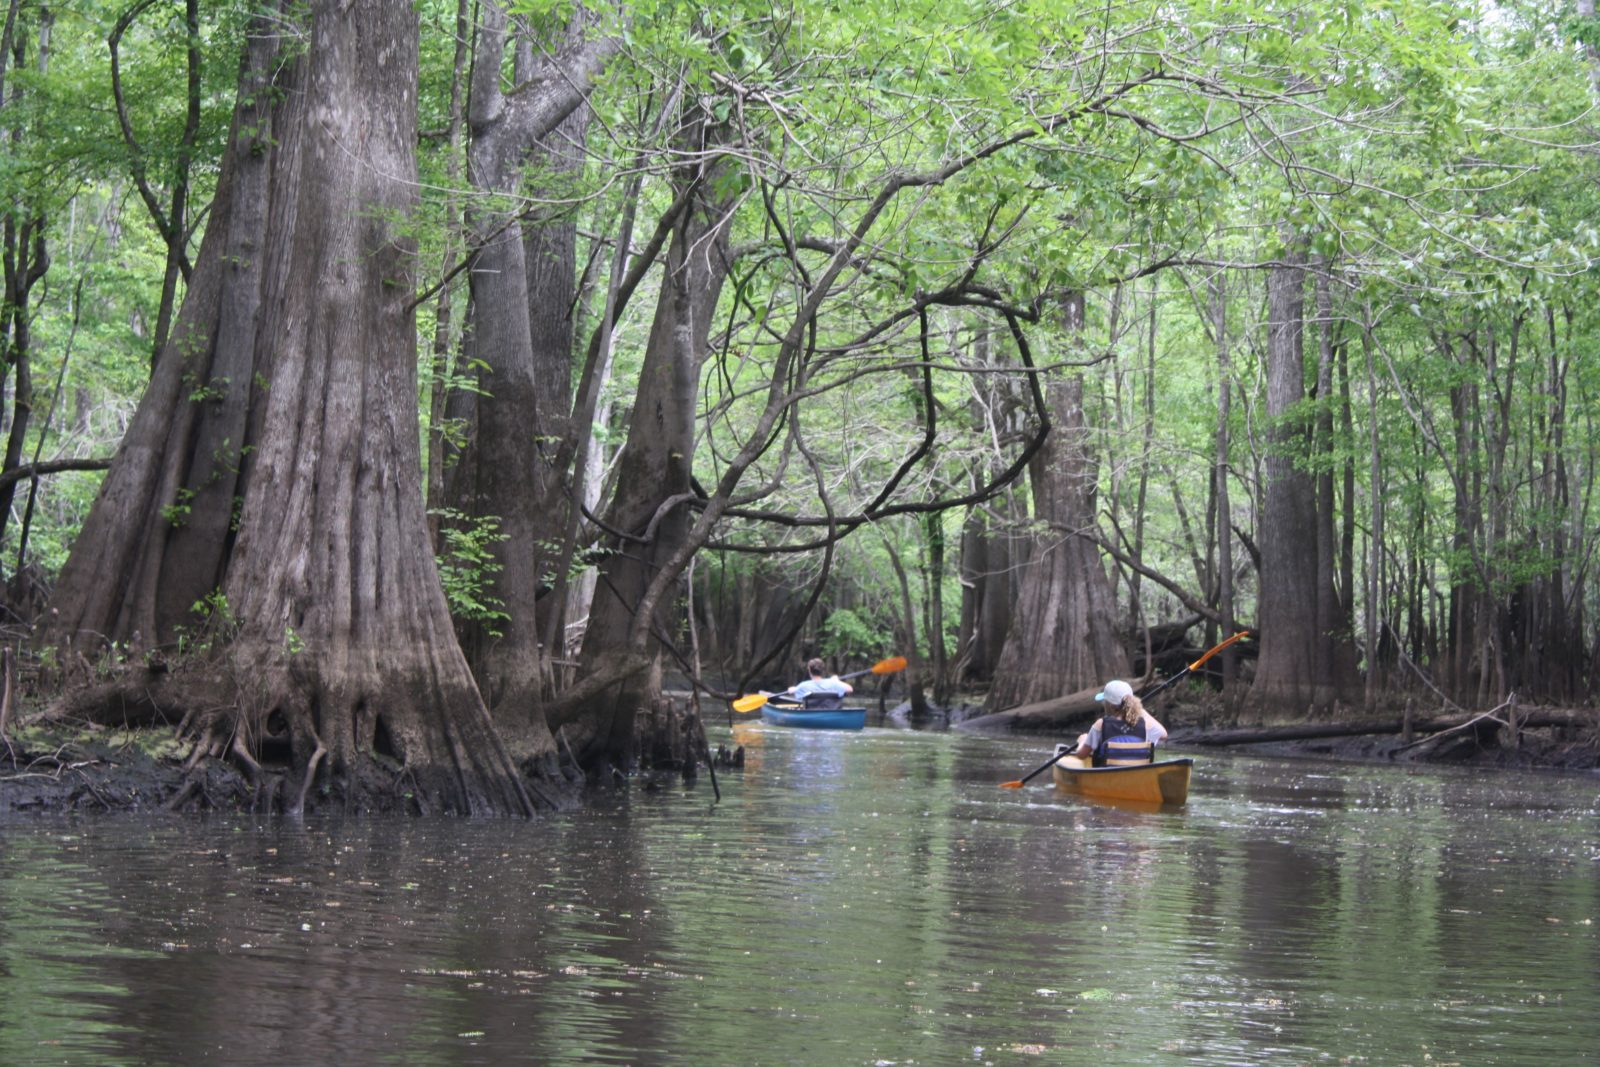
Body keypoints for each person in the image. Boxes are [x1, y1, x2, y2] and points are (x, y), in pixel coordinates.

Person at [1068, 679, 1168, 766]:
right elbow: (1164, 734)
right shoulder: (1145, 725)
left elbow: (1081, 755)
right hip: (1136, 779)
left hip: (1107, 779)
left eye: (1105, 701)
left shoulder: (1100, 724)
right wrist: (1139, 709)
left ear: (1110, 706)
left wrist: (1082, 741)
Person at [788, 658, 854, 709]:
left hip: (812, 715)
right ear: (823, 670)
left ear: (809, 670)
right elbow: (850, 689)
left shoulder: (803, 685)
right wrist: (837, 681)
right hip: (832, 714)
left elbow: (792, 692)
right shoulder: (833, 683)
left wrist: (793, 689)